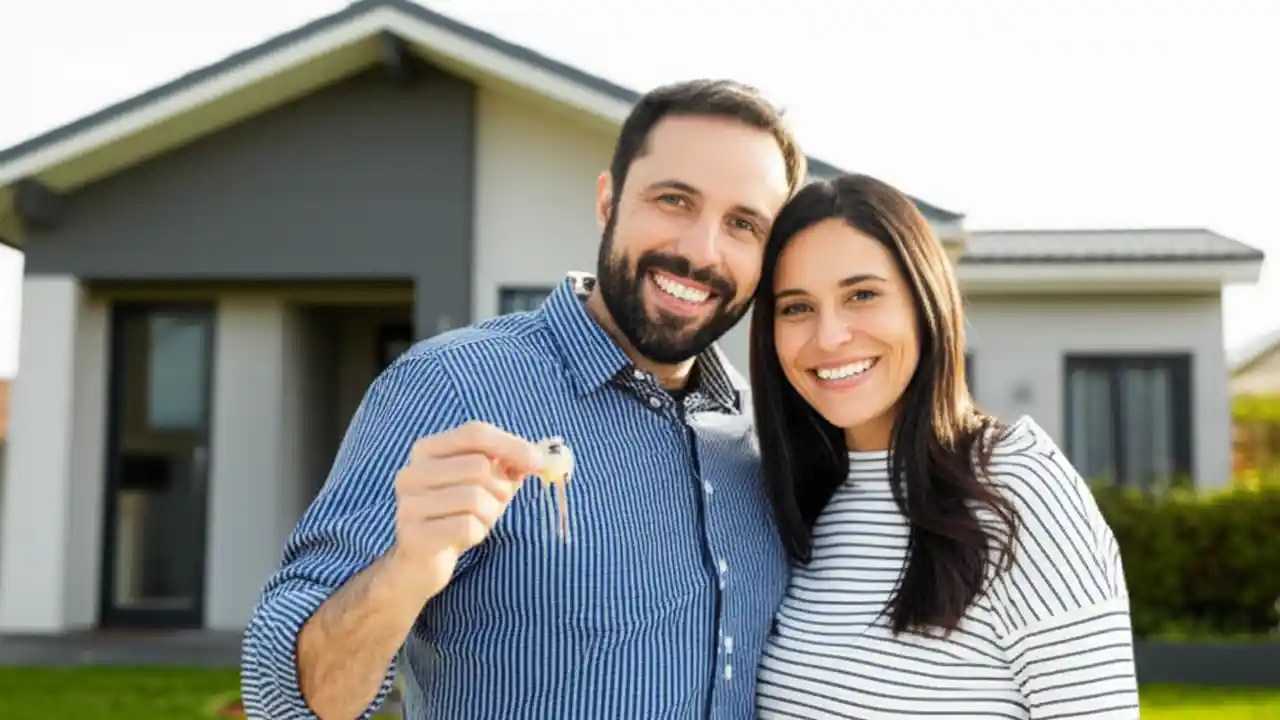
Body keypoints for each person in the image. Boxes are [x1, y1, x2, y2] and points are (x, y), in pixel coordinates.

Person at [239, 78, 807, 719]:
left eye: (742, 224)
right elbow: (280, 702)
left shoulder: (761, 433)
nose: (702, 251)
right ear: (607, 201)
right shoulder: (452, 386)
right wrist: (403, 573)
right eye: (675, 200)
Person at [748, 174, 1140, 718]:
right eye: (796, 307)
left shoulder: (1017, 488)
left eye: (862, 295)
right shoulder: (793, 501)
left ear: (924, 303)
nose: (829, 336)